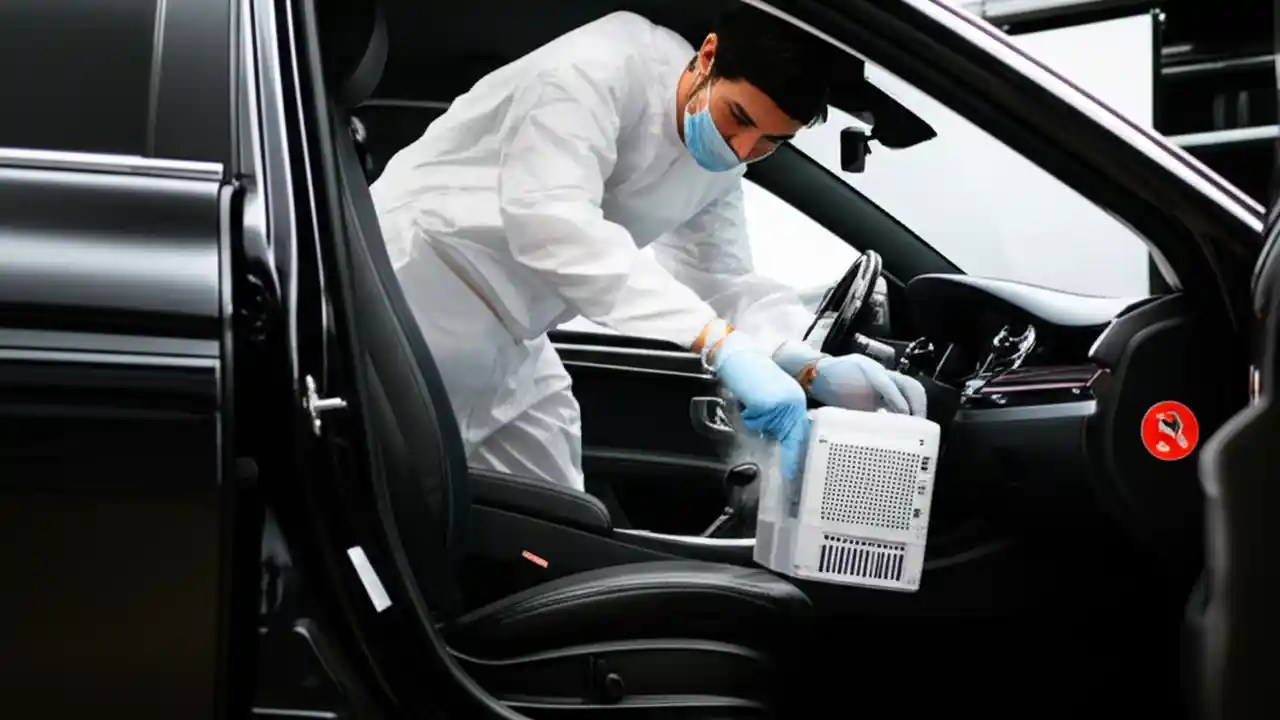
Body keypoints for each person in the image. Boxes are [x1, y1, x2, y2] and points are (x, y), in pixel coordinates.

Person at [371, 6, 926, 495]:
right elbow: (552, 224)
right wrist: (717, 343)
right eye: (739, 119)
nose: (743, 150)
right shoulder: (596, 67)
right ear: (708, 56)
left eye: (770, 143)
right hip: (415, 290)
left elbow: (718, 276)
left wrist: (799, 360)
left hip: (513, 336)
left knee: (561, 520)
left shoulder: (720, 163)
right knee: (405, 507)